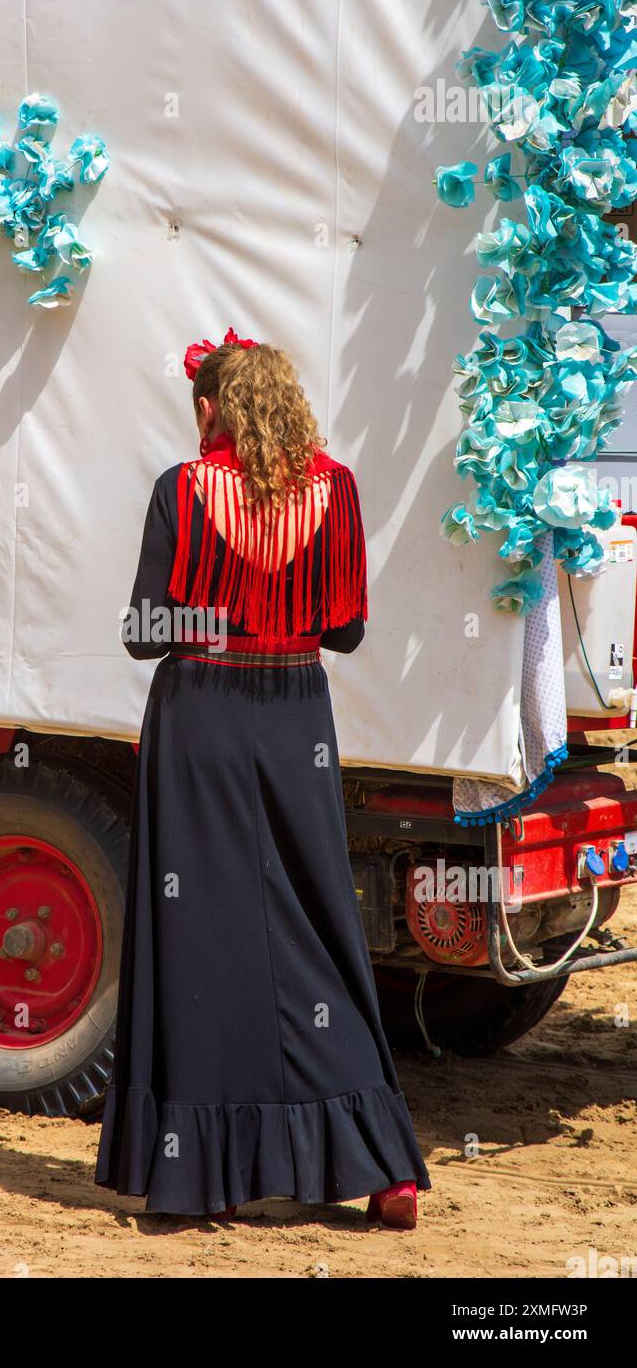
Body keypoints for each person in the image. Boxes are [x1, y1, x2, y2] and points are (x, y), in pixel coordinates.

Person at [94, 328, 431, 1228]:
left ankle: (201, 1172)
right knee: (317, 926)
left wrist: (215, 611)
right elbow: (348, 629)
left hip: (202, 716)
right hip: (294, 721)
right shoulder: (338, 489)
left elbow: (143, 627)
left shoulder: (184, 489)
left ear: (211, 409)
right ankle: (383, 1165)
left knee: (199, 932)